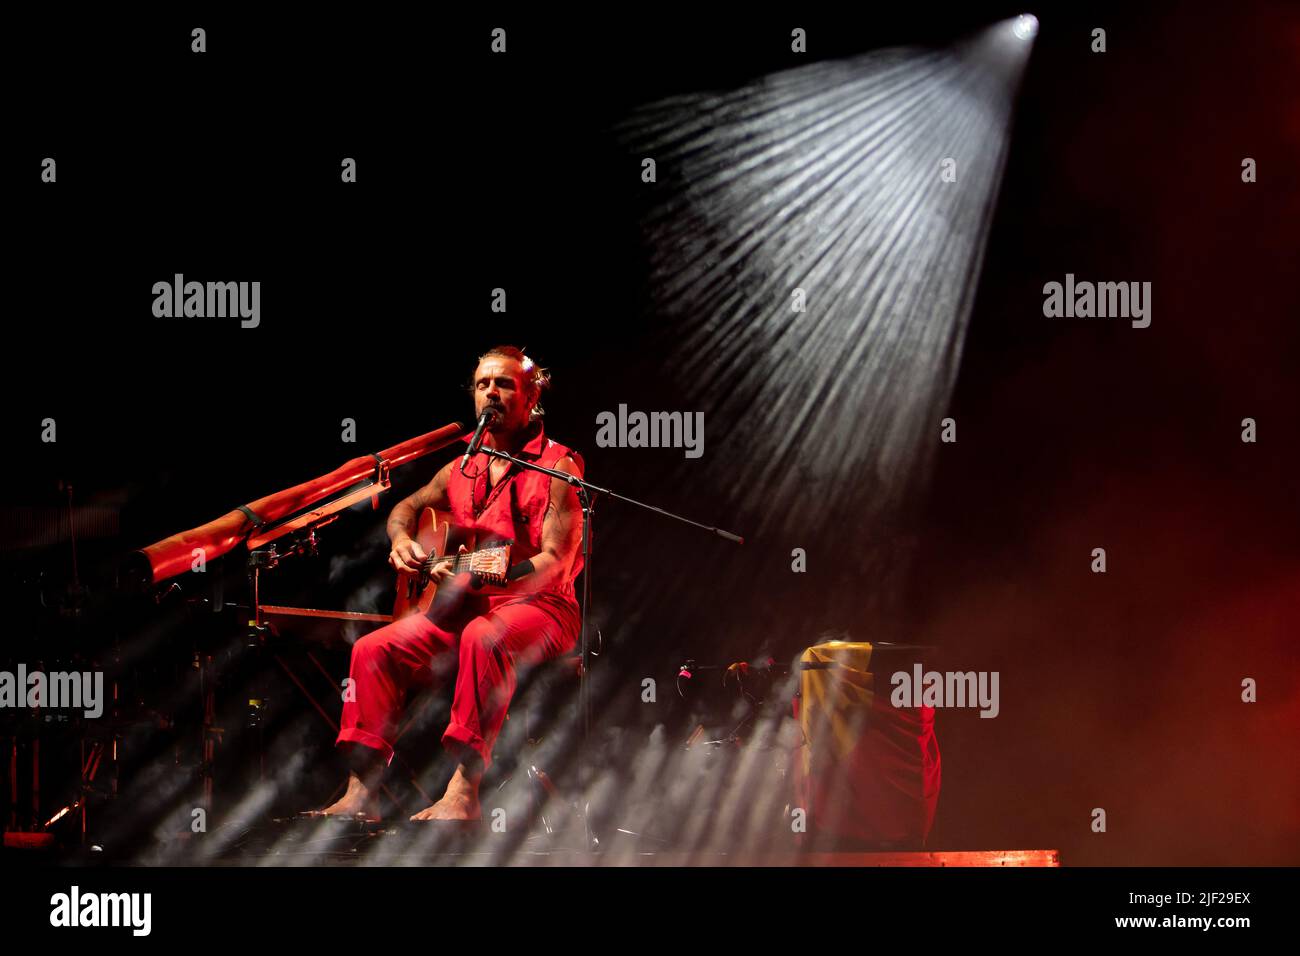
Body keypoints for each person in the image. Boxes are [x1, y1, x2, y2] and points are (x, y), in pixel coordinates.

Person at [313, 346, 584, 822]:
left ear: (532, 394)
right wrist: (400, 542)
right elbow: (406, 507)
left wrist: (496, 576)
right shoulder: (462, 467)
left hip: (543, 608)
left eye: (503, 384)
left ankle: (463, 793)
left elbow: (558, 562)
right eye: (482, 385)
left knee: (486, 636)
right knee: (373, 650)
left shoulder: (559, 468)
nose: (490, 394)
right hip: (467, 607)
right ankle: (362, 793)